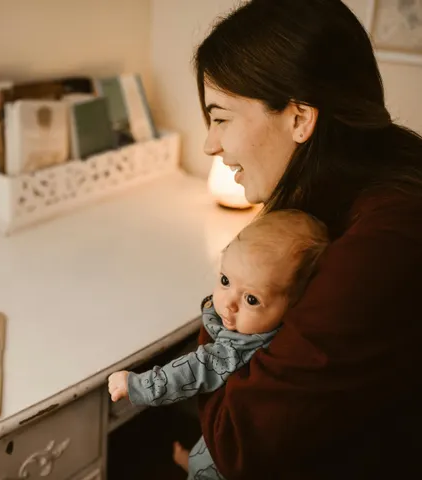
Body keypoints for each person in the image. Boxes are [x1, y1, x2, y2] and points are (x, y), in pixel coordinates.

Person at [176, 0, 422, 478]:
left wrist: (230, 294)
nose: (210, 143)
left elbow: (236, 442)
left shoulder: (385, 240)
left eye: (221, 117)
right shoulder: (365, 187)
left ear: (300, 118)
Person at [108, 210, 329, 480]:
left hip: (229, 463)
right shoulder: (271, 329)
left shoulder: (239, 347)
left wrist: (137, 386)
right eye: (225, 280)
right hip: (242, 436)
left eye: (251, 299)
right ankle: (192, 462)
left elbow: (191, 372)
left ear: (294, 305)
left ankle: (195, 470)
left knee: (208, 463)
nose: (229, 303)